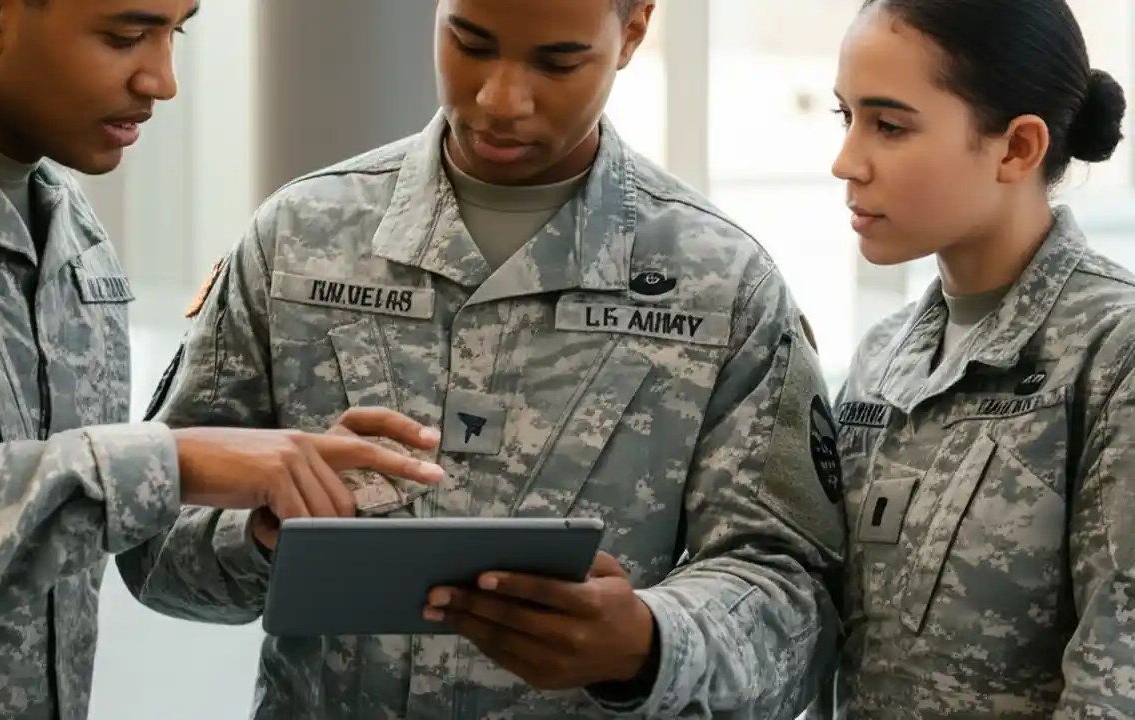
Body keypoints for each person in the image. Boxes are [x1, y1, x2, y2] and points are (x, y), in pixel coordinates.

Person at [124, 0, 847, 717]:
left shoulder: (720, 283)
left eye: (557, 61)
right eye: (469, 44)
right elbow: (151, 541)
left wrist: (650, 644)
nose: (500, 99)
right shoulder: (300, 240)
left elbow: (794, 591)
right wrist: (260, 534)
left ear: (632, 32)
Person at [0, 0, 444, 718]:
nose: (163, 81)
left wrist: (261, 529)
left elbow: (76, 544)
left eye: (177, 32)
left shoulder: (68, 221)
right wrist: (175, 462)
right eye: (126, 35)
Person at [825, 0, 1135, 716]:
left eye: (890, 125)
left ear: (1018, 148)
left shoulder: (1112, 353)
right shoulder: (883, 357)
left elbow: (1116, 684)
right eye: (845, 118)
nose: (846, 161)